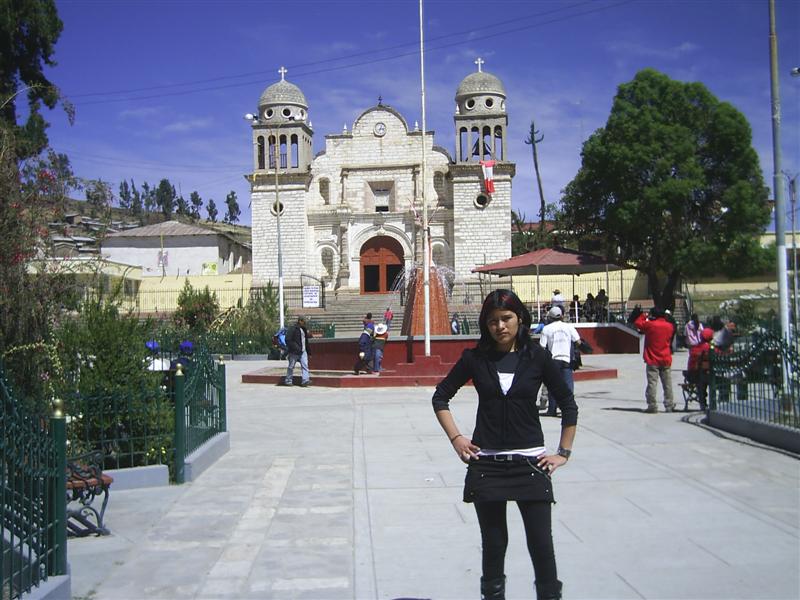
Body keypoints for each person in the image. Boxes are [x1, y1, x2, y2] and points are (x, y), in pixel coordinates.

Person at [432, 289, 577, 600]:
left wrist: (563, 452)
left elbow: (568, 403)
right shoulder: (475, 358)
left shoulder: (537, 357)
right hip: (488, 466)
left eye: (506, 318)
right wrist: (457, 438)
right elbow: (440, 397)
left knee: (541, 545)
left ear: (520, 318)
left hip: (531, 464)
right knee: (494, 545)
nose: (500, 326)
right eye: (493, 320)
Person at [539, 306, 581, 417]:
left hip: (553, 361)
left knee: (553, 386)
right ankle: (568, 410)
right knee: (568, 387)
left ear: (550, 317)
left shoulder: (546, 329)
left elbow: (542, 347)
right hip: (566, 360)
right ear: (561, 316)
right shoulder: (569, 327)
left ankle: (551, 410)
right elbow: (578, 341)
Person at [633, 307, 676, 413]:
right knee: (667, 383)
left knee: (652, 383)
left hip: (652, 358)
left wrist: (645, 315)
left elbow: (637, 323)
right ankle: (669, 405)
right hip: (665, 358)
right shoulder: (669, 326)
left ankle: (652, 405)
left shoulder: (650, 325)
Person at [686, 328, 714, 410]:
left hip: (695, 376)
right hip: (711, 376)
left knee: (701, 382)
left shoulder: (695, 348)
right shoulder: (714, 349)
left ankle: (702, 403)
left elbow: (691, 364)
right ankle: (722, 402)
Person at [284, 317, 311, 387]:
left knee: (305, 366)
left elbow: (305, 341)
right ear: (300, 321)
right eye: (304, 321)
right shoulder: (293, 328)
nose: (305, 323)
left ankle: (305, 380)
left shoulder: (304, 329)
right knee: (291, 366)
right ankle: (288, 380)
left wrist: (308, 351)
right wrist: (295, 347)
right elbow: (288, 339)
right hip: (294, 352)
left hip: (303, 351)